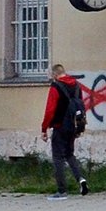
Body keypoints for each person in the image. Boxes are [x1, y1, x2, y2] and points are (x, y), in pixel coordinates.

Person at [40, 63, 90, 199]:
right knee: (69, 154)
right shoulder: (77, 86)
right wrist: (79, 127)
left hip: (59, 126)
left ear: (55, 74)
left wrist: (44, 128)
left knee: (57, 157)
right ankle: (81, 179)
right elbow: (81, 106)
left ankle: (61, 191)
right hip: (73, 126)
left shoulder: (56, 87)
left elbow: (50, 110)